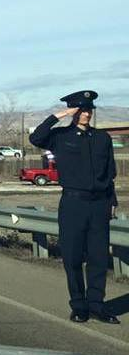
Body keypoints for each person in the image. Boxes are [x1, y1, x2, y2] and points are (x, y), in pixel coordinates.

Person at [29, 90, 119, 324]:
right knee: (73, 257)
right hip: (73, 204)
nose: (86, 114)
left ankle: (97, 305)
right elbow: (36, 138)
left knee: (99, 257)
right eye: (81, 110)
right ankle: (79, 305)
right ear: (73, 111)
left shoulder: (102, 138)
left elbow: (110, 173)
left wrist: (112, 201)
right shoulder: (60, 136)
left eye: (89, 110)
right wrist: (58, 116)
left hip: (99, 203)